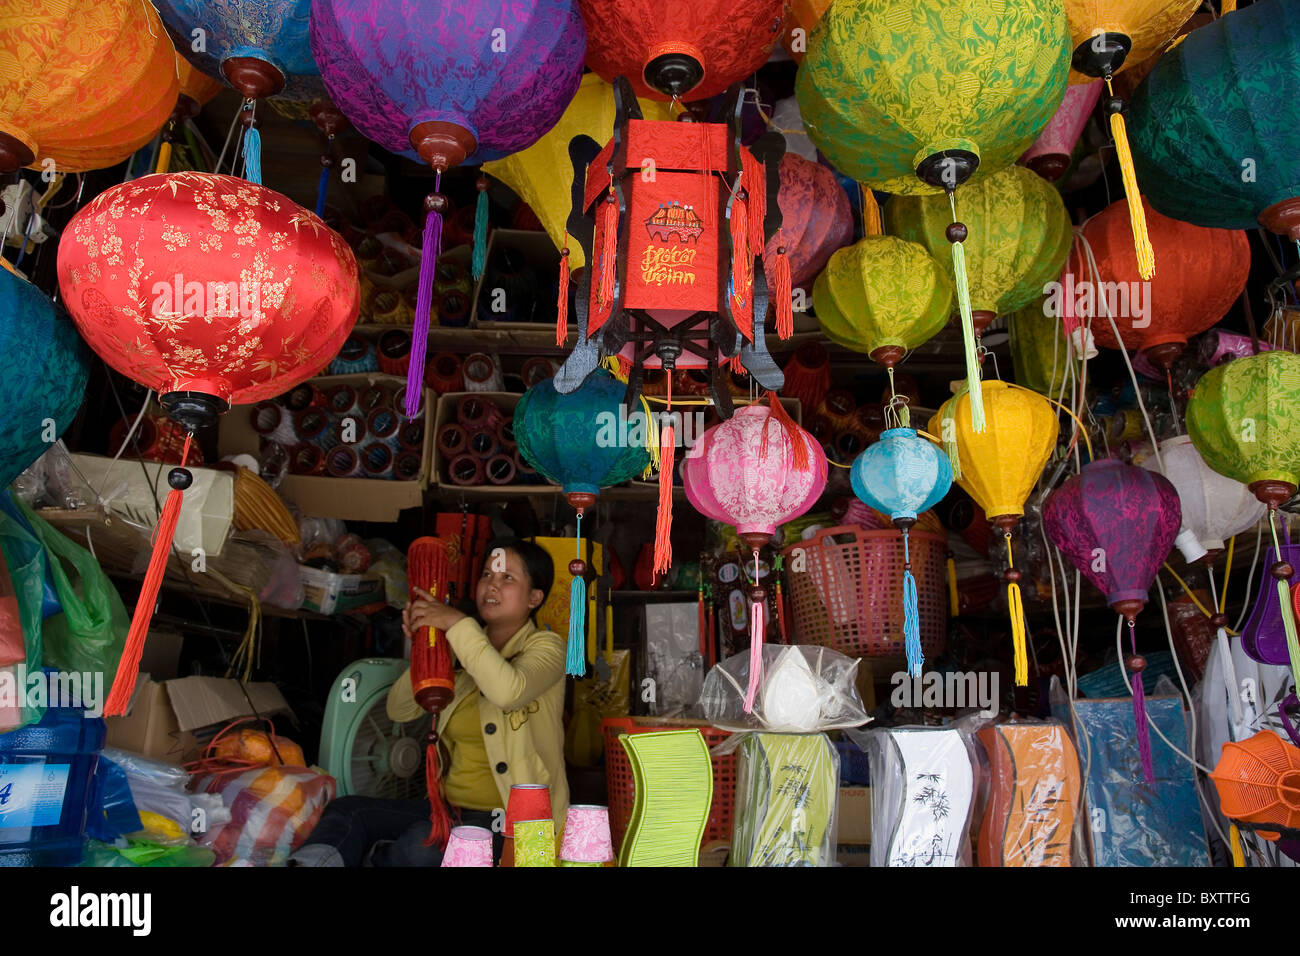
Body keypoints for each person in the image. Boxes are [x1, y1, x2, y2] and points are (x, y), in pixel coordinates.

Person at [290, 537, 568, 866]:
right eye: (486, 575)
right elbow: (400, 710)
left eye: (507, 578)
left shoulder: (547, 648)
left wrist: (455, 624)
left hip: (513, 824)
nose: (491, 585)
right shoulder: (461, 651)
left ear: (534, 597)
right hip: (449, 813)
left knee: (416, 848)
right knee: (350, 811)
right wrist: (428, 645)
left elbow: (507, 691)